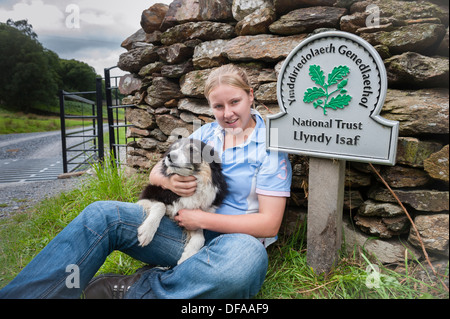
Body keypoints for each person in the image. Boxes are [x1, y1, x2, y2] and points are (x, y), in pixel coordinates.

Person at [0, 64, 292, 299]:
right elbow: (156, 173)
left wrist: (201, 218)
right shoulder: (204, 135)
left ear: (251, 96)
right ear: (210, 107)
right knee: (101, 214)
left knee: (245, 264)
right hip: (182, 232)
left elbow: (268, 224)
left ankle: (134, 288)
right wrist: (170, 185)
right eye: (218, 106)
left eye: (235, 102)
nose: (227, 114)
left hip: (235, 244)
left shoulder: (271, 145)